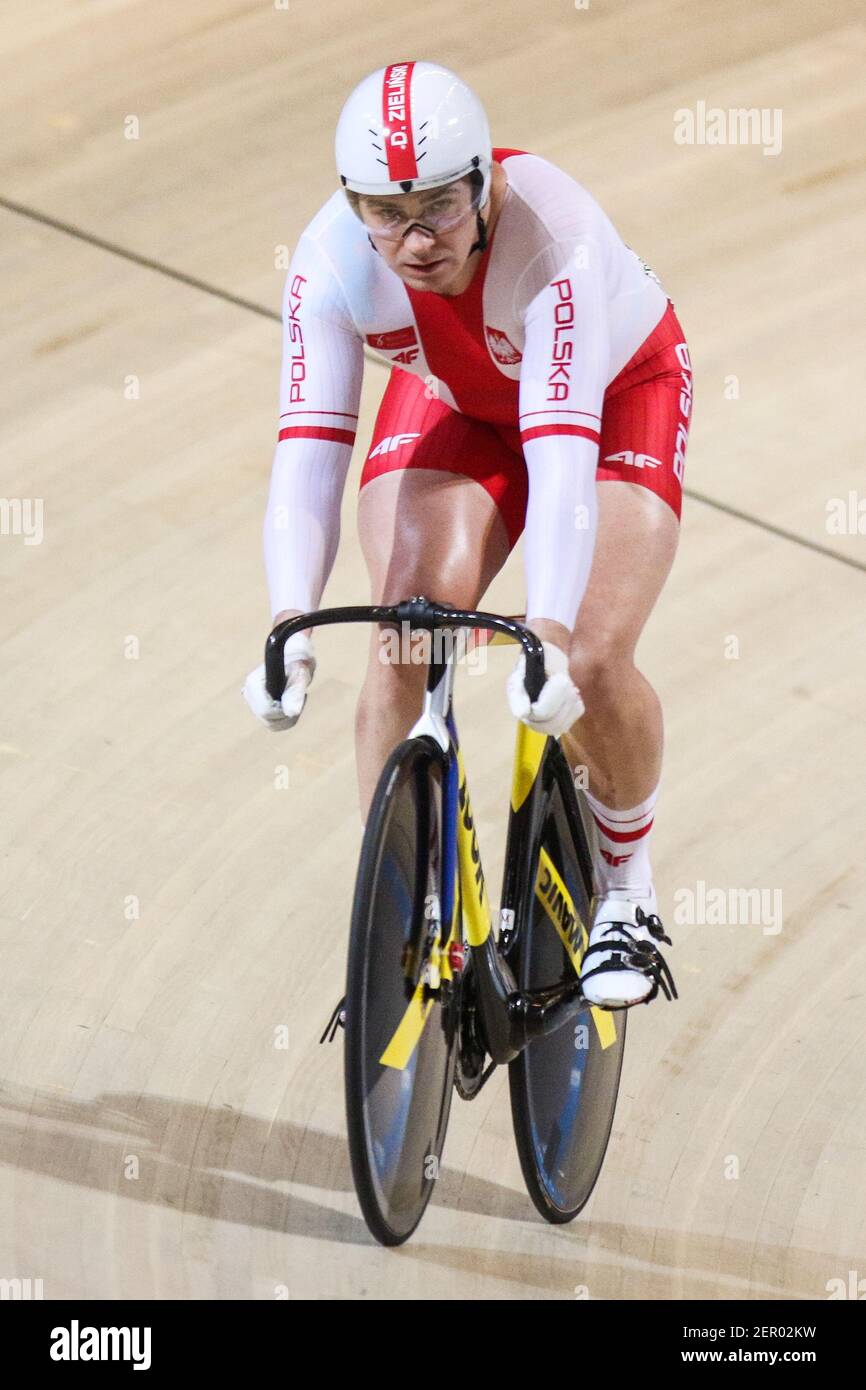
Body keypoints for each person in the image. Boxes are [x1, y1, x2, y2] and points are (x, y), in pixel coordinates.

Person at [243, 60, 692, 1009]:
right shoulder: (330, 261)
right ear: (353, 206)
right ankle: (396, 925)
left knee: (594, 654)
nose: (415, 240)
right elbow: (309, 447)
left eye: (440, 207)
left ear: (484, 185)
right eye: (386, 212)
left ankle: (627, 894)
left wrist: (552, 632)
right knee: (406, 625)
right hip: (467, 402)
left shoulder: (554, 240)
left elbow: (562, 458)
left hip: (615, 396)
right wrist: (288, 619)